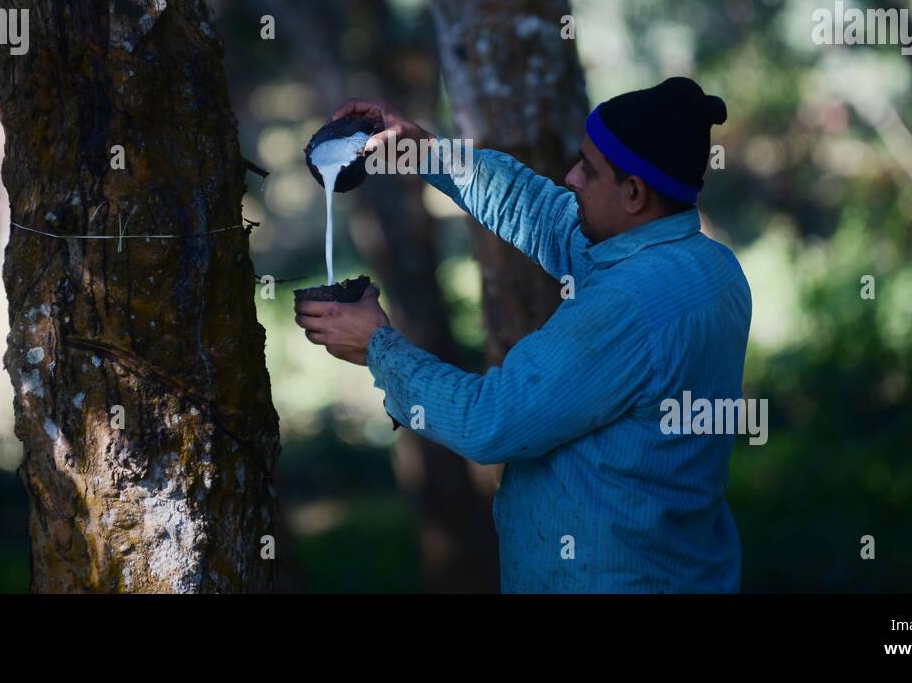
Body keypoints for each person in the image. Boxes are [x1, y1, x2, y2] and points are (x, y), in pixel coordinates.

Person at [293, 77, 752, 592]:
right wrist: (427, 153)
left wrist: (380, 347)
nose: (571, 178)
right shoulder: (707, 265)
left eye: (588, 168)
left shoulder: (629, 306)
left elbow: (491, 421)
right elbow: (546, 216)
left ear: (633, 193)